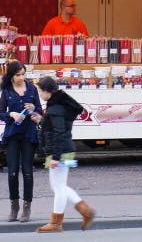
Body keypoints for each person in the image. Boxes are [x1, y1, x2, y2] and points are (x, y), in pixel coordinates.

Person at [34, 76, 96, 232]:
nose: (39, 95)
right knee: (59, 186)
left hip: (59, 152)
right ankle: (83, 212)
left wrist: (55, 157)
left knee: (58, 187)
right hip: (64, 150)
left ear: (47, 91)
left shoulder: (55, 109)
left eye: (40, 91)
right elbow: (57, 128)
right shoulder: (59, 105)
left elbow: (59, 132)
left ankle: (57, 222)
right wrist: (42, 120)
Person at [0, 60, 42, 222]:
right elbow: (0, 113)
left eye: (23, 74)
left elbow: (39, 110)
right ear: (11, 75)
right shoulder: (7, 91)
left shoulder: (32, 89)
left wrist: (34, 110)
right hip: (13, 134)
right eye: (18, 75)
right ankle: (14, 206)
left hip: (29, 134)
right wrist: (11, 114)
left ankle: (27, 207)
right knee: (12, 172)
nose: (21, 78)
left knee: (28, 172)